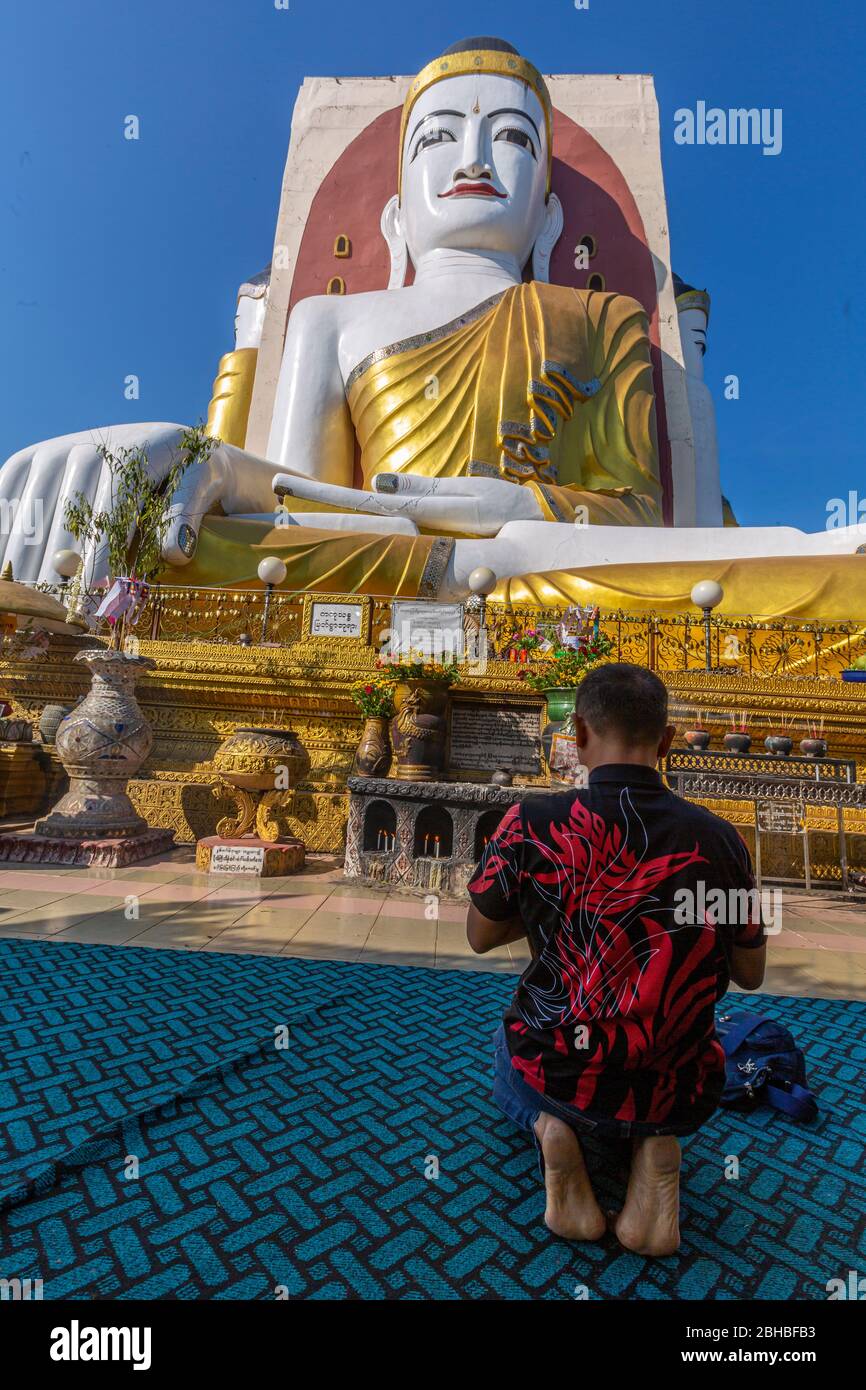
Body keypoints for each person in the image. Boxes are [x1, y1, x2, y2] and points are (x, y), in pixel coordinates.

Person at [466, 662, 766, 1256]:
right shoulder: (720, 838)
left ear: (576, 734)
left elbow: (479, 934)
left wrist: (566, 900)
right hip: (676, 1080)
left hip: (562, 1069)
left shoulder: (530, 821)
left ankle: (552, 1130)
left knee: (508, 1045)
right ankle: (654, 1145)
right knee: (685, 1054)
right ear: (668, 741)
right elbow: (750, 974)